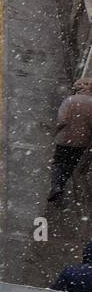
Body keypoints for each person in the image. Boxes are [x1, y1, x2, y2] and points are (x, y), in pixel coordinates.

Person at [48, 78, 92, 206]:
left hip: (64, 139)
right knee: (70, 165)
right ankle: (61, 187)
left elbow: (62, 120)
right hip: (81, 142)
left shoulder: (70, 101)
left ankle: (56, 187)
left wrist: (55, 132)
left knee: (58, 163)